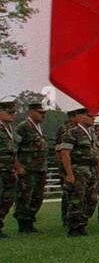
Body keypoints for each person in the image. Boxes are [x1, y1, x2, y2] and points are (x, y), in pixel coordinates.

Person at [56, 106, 99, 237]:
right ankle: (74, 227)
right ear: (80, 117)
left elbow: (95, 154)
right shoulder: (72, 132)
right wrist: (69, 174)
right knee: (77, 199)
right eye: (89, 116)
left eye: (93, 117)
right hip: (78, 170)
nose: (93, 119)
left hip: (90, 170)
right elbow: (65, 153)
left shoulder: (92, 133)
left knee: (92, 199)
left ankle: (82, 222)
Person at [14, 99, 48, 234]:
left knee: (37, 197)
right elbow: (14, 148)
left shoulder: (38, 128)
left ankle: (30, 223)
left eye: (44, 113)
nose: (43, 115)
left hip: (40, 169)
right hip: (27, 169)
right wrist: (18, 167)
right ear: (31, 112)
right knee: (24, 197)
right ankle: (23, 225)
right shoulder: (23, 127)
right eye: (40, 113)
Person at [0, 99, 18, 237]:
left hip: (8, 169)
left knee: (8, 199)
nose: (13, 115)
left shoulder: (9, 128)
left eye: (14, 112)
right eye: (9, 112)